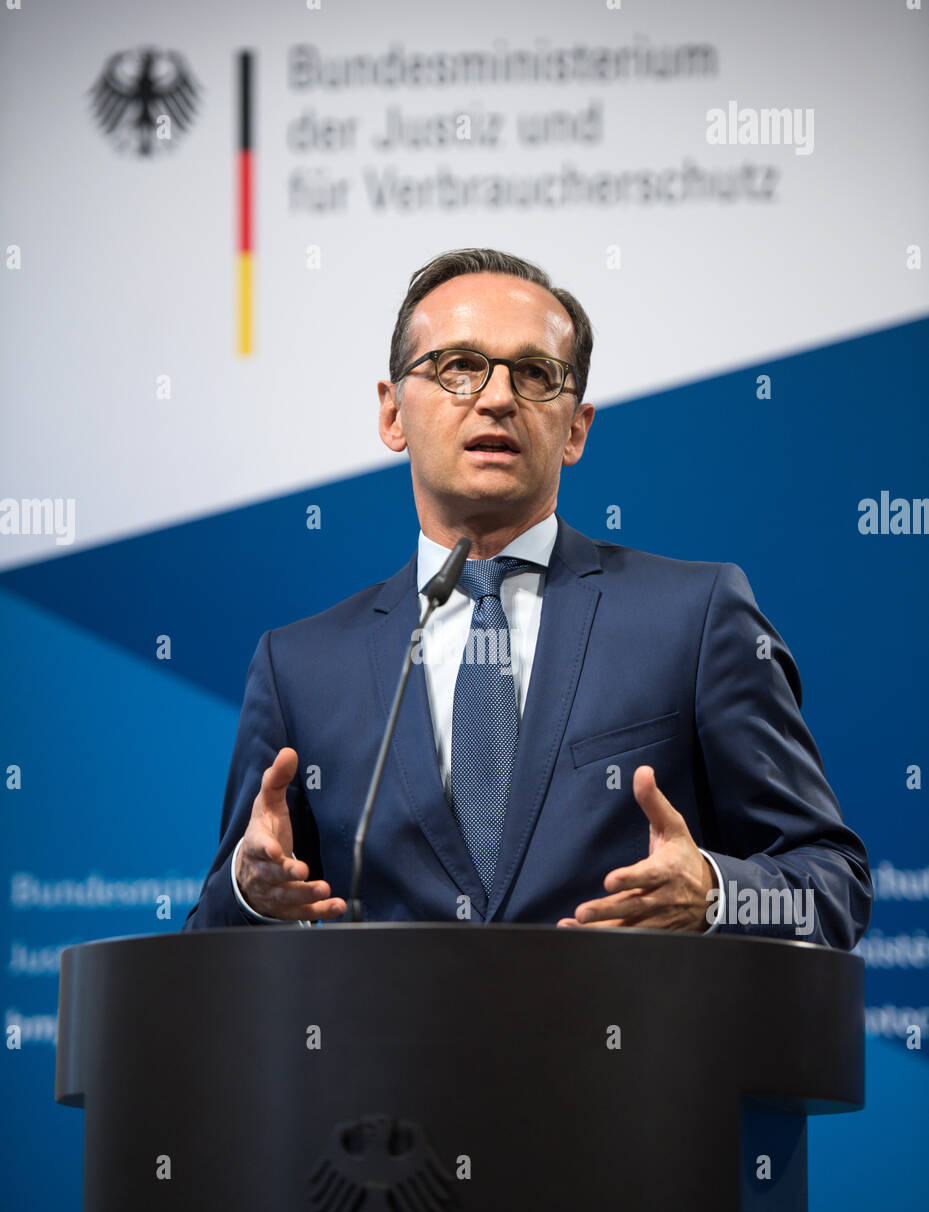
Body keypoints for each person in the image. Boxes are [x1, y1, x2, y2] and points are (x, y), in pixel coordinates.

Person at [183, 248, 871, 947]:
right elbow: (207, 951)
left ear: (574, 428)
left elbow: (832, 885)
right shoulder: (300, 667)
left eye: (536, 374)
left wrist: (716, 896)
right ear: (391, 414)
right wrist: (254, 895)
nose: (498, 397)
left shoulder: (694, 617)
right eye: (457, 366)